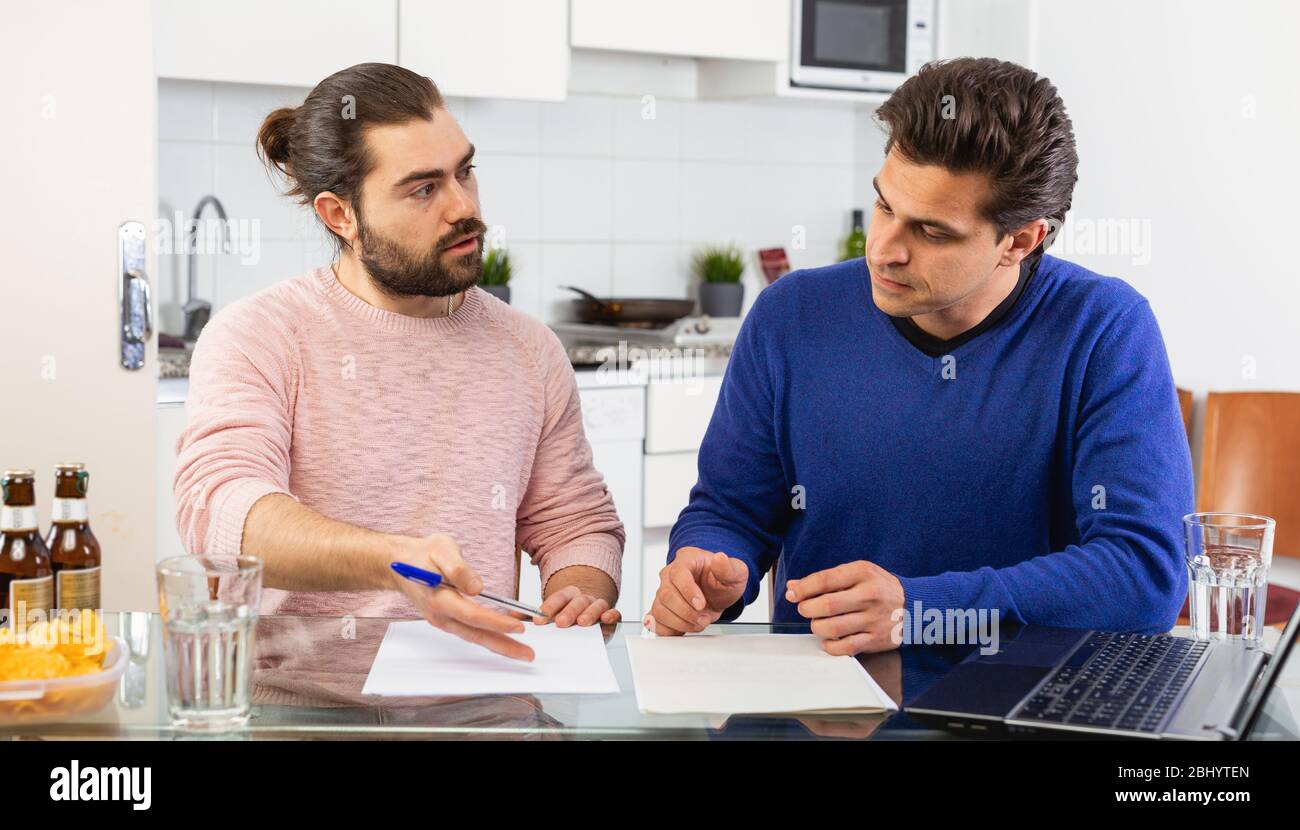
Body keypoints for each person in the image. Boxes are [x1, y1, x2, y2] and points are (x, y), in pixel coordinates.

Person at [648, 57, 1193, 655]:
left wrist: (920, 610)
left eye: (931, 232)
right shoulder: (791, 316)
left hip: (1013, 701)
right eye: (884, 206)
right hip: (818, 697)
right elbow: (730, 512)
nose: (883, 250)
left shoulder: (1104, 328)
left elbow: (1144, 577)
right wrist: (709, 567)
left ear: (1020, 240)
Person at [174, 63, 624, 662]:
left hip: (483, 704)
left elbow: (576, 524)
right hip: (301, 711)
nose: (464, 207)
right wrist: (391, 560)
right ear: (340, 215)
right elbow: (222, 510)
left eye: (465, 171)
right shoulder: (259, 336)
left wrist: (579, 592)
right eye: (423, 188)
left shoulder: (529, 349)